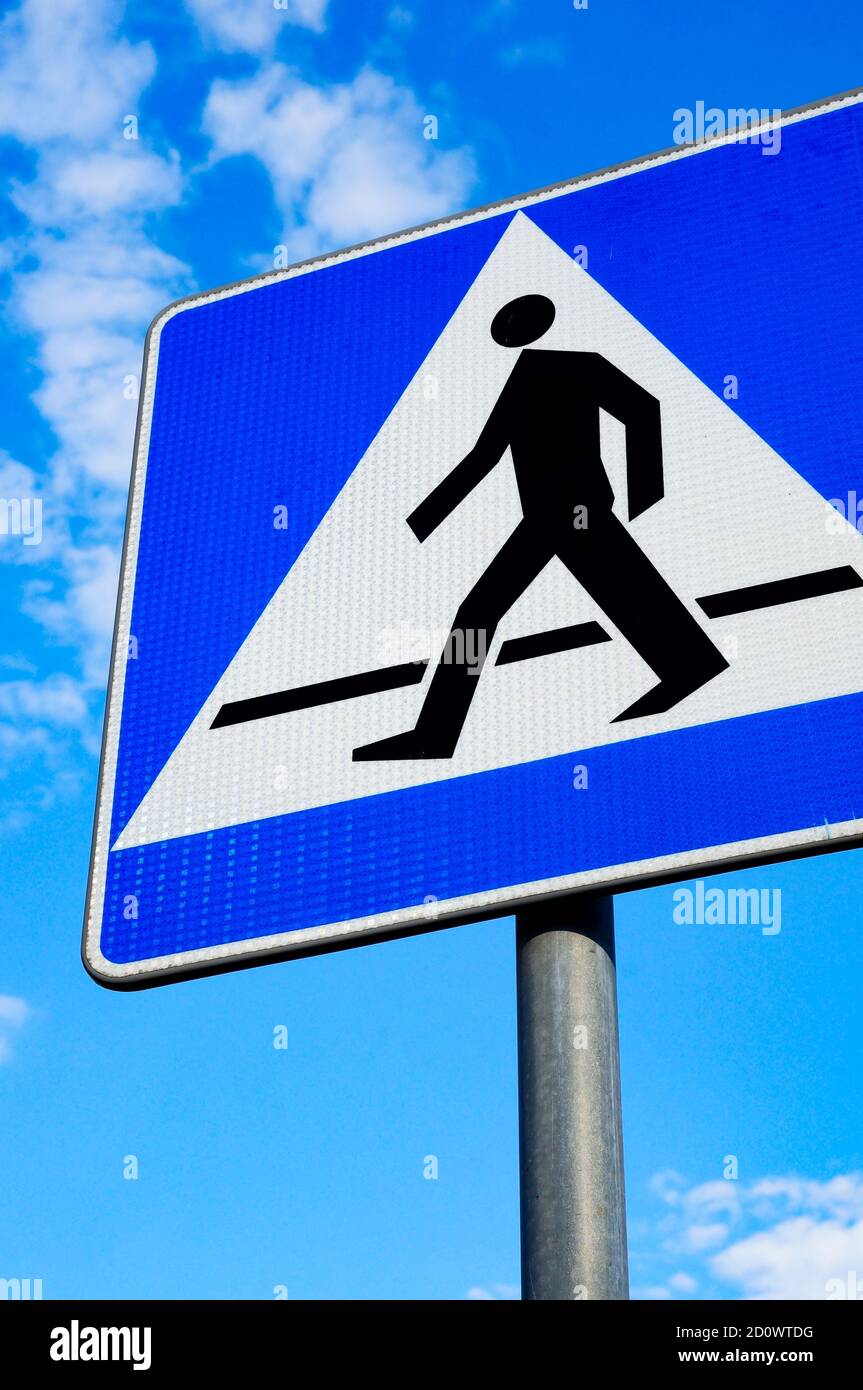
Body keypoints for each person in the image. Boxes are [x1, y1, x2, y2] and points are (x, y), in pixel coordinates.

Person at [354, 293, 727, 761]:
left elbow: (641, 409)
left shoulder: (572, 366)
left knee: (496, 608)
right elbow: (484, 456)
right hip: (548, 515)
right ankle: (692, 663)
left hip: (577, 509)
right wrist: (420, 522)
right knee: (611, 590)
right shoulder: (524, 380)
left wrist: (645, 496)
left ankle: (436, 733)